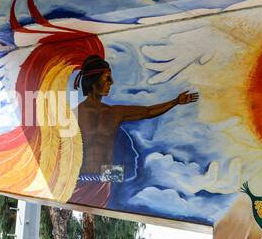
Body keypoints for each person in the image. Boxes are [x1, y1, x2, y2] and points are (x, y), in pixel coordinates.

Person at [73, 55, 199, 207]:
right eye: (107, 78)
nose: (111, 82)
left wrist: (176, 101)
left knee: (135, 185)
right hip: (81, 178)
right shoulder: (74, 114)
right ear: (93, 81)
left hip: (107, 179)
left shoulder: (114, 112)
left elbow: (148, 112)